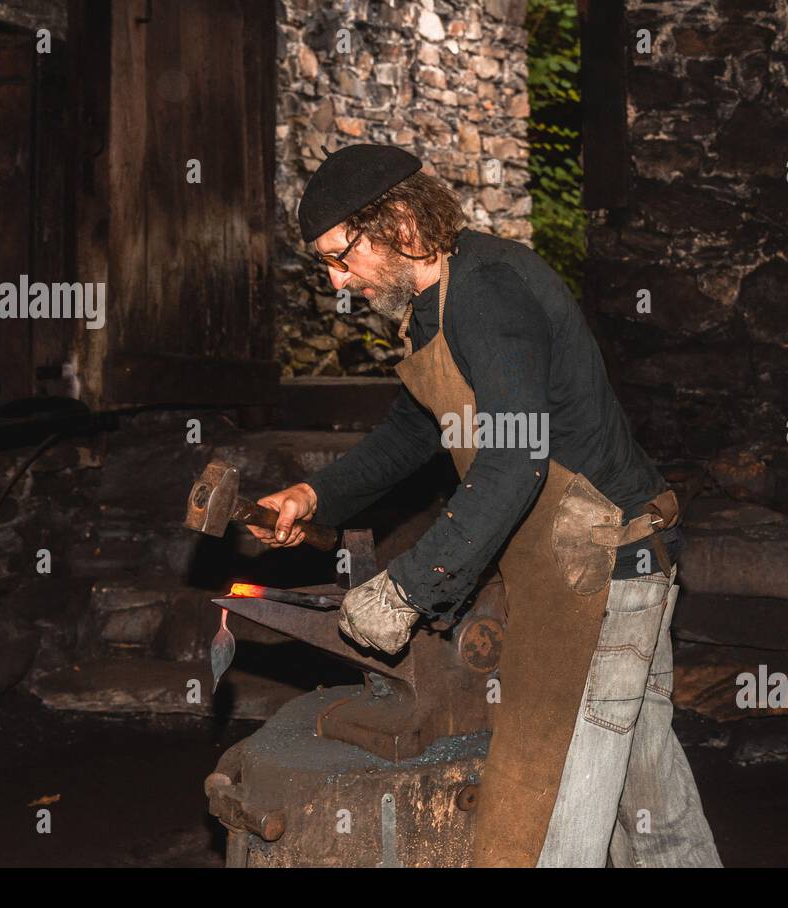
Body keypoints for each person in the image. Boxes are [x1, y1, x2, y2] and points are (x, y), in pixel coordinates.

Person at [249, 143, 721, 867]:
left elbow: (513, 456)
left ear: (401, 223)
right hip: (580, 576)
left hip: (605, 576)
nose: (340, 281)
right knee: (652, 810)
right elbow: (416, 428)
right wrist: (317, 493)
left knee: (548, 830)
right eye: (327, 265)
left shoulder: (489, 292)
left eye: (344, 255)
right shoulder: (436, 306)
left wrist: (412, 585)